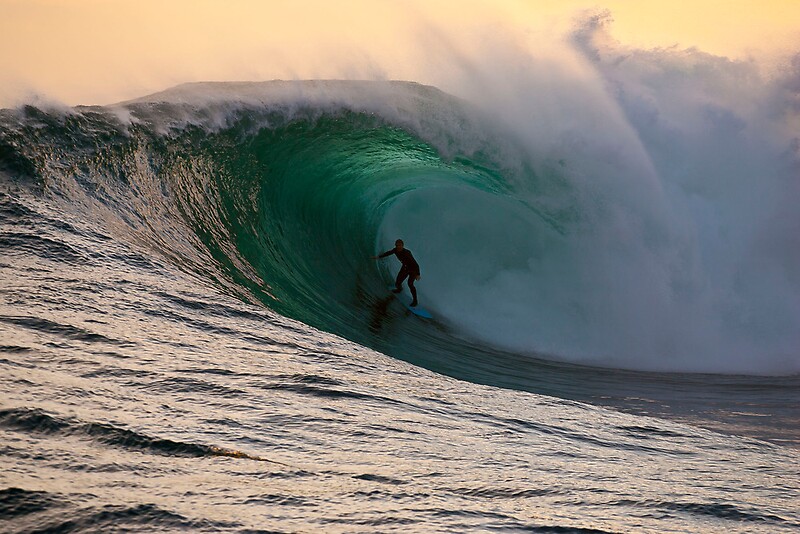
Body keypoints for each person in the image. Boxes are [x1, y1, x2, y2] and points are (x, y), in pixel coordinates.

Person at [372, 239, 421, 307]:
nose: (398, 247)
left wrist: (418, 274)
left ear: (402, 245)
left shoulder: (407, 253)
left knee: (410, 284)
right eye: (397, 245)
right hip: (405, 268)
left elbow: (415, 264)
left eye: (400, 245)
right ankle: (399, 289)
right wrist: (378, 257)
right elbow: (388, 253)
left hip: (413, 270)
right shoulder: (395, 250)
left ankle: (415, 301)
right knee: (397, 282)